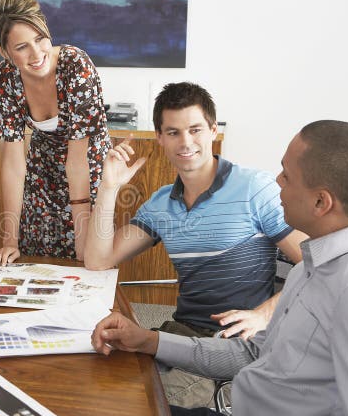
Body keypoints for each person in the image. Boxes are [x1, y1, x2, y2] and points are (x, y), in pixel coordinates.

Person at [92, 120, 348, 416]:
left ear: (321, 201)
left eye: (286, 175)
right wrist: (148, 340)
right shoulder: (312, 266)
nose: (277, 183)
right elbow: (254, 353)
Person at [85, 82, 305, 340]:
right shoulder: (161, 204)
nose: (185, 142)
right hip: (185, 334)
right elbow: (98, 261)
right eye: (173, 132)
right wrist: (108, 188)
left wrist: (264, 314)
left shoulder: (254, 188)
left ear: (213, 130)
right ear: (160, 137)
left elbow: (318, 263)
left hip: (241, 338)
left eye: (195, 130)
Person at [0, 0, 112, 265]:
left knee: (86, 257)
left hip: (87, 167)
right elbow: (13, 162)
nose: (36, 53)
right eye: (21, 47)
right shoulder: (6, 76)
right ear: (3, 51)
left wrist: (82, 236)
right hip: (42, 168)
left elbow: (77, 161)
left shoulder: (76, 66)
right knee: (32, 252)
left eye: (40, 39)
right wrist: (9, 240)